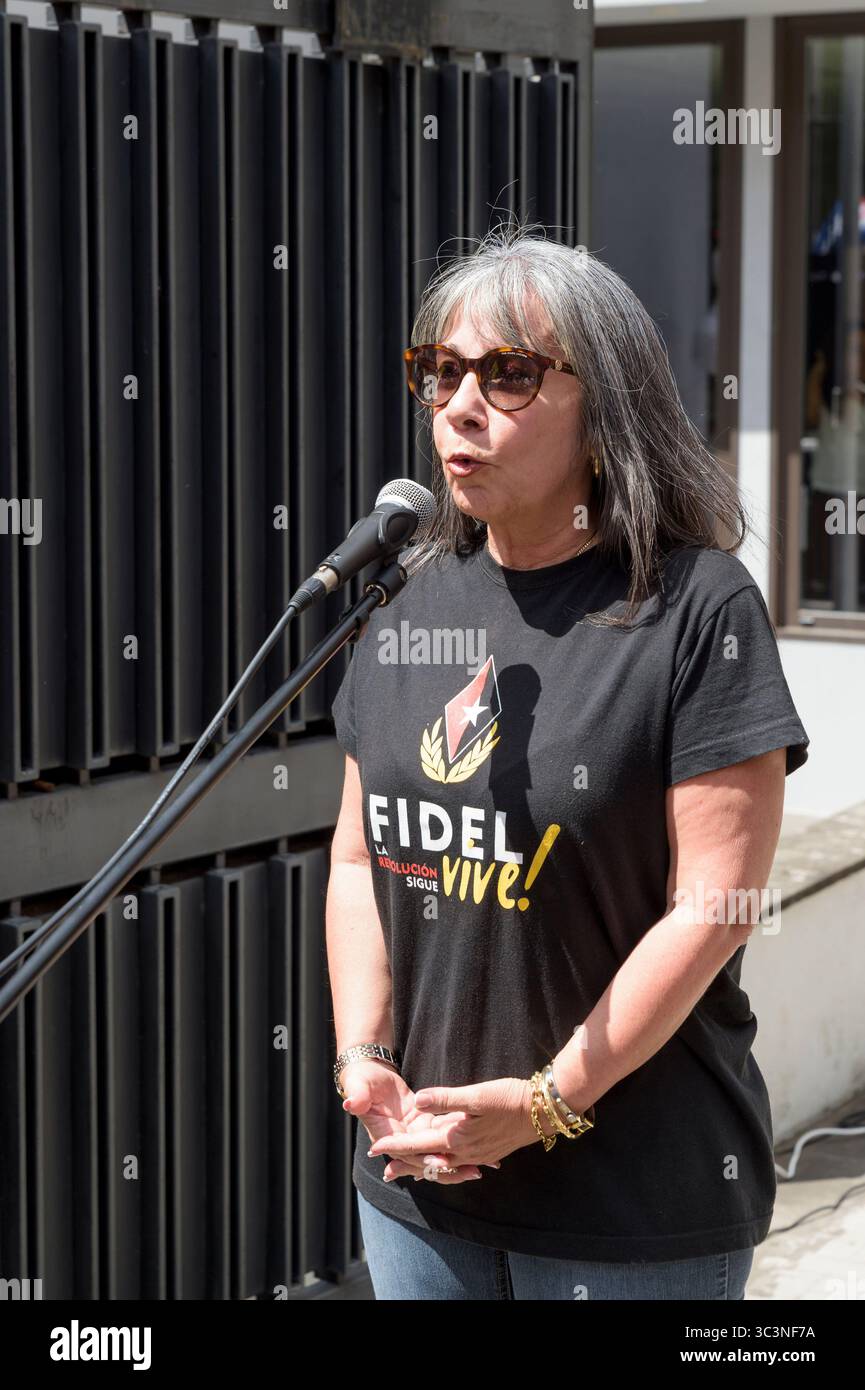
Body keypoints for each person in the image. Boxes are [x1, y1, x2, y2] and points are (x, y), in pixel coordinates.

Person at [326, 224, 809, 1301]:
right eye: (438, 371)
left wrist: (545, 1101)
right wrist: (362, 1062)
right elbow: (359, 861)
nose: (458, 403)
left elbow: (714, 904)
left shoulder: (696, 607)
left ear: (609, 407)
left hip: (632, 1209)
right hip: (423, 1193)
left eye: (508, 374)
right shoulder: (406, 599)